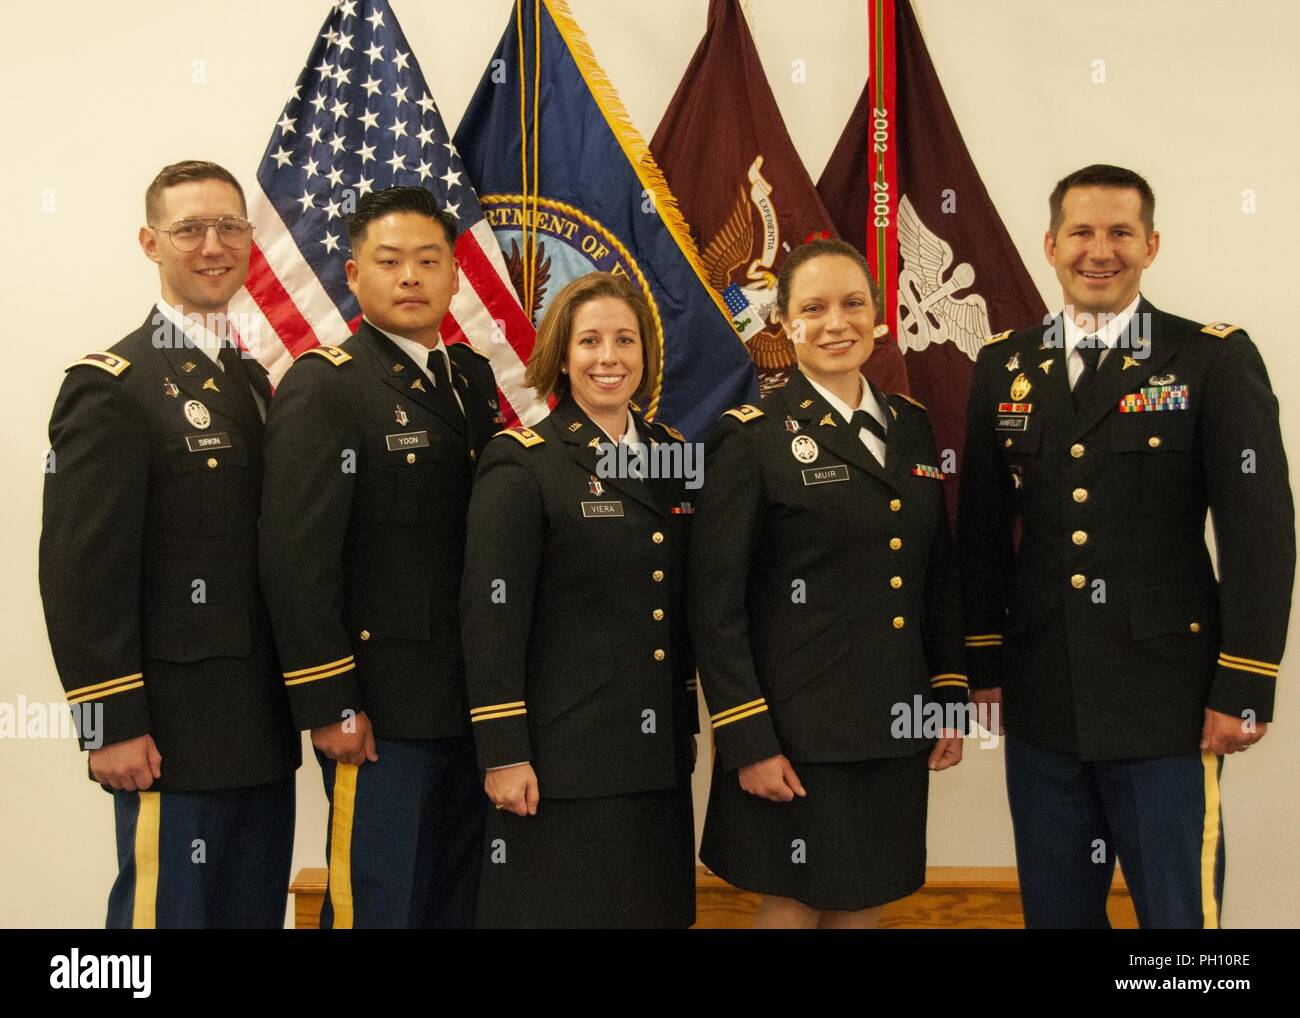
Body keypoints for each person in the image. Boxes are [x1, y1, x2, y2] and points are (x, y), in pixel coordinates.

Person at [956, 164, 1295, 929]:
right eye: (1081, 232)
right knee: (1058, 916)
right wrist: (984, 663)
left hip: (1167, 704)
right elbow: (979, 532)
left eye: (1120, 232)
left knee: (1177, 925)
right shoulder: (1004, 365)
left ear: (1152, 245)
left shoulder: (1209, 359)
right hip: (1045, 699)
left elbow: (1260, 533)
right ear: (1050, 244)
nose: (1099, 250)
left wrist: (1244, 680)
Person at [38, 160, 299, 928]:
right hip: (169, 734)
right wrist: (108, 721)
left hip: (256, 724)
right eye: (189, 228)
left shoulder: (251, 380)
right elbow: (78, 571)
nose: (212, 244)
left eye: (229, 226)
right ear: (151, 243)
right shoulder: (114, 386)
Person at [690, 238, 965, 929]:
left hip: (896, 720)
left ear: (878, 317)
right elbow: (715, 605)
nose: (835, 322)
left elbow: (936, 575)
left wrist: (950, 694)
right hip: (796, 730)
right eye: (813, 308)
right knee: (792, 901)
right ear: (783, 324)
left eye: (852, 304)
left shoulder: (911, 426)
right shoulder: (752, 436)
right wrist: (748, 738)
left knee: (866, 898)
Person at [258, 187, 502, 929]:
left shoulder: (470, 380)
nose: (410, 277)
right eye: (389, 261)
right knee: (376, 904)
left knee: (454, 903)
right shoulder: (327, 385)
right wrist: (330, 699)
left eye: (429, 261)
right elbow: (294, 555)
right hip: (382, 712)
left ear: (455, 275)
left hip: (471, 700)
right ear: (353, 272)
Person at [461, 272, 698, 928]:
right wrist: (504, 751)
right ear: (562, 356)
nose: (609, 357)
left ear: (646, 352)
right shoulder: (525, 462)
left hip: (657, 756)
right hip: (562, 757)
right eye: (589, 341)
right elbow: (490, 618)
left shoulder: (672, 457)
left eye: (625, 340)